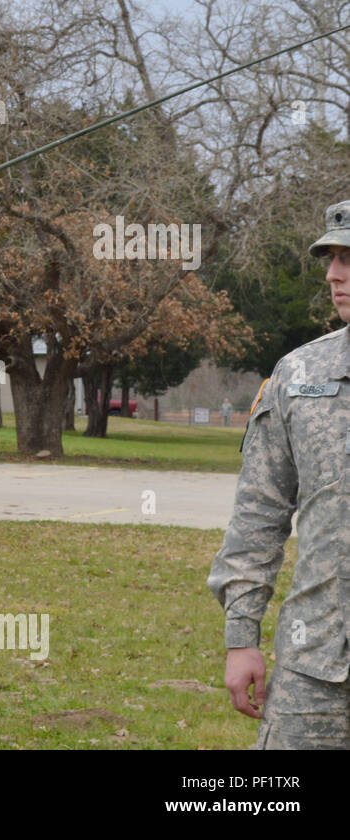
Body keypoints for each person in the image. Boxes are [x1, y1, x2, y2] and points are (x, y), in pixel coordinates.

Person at [209, 198, 350, 749]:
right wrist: (241, 636)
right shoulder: (299, 376)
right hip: (316, 667)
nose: (334, 273)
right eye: (331, 257)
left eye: (348, 258)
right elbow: (258, 515)